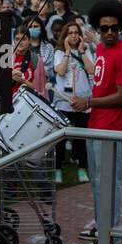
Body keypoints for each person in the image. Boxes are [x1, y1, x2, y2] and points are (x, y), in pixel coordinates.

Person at [71, 0, 122, 244]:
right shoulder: (100, 48)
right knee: (98, 183)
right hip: (96, 123)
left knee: (109, 184)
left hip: (112, 128)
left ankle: (112, 237)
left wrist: (89, 101)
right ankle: (102, 226)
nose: (110, 32)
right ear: (98, 28)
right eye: (105, 28)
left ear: (120, 28)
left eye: (114, 28)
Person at [50, 22, 92, 184]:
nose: (73, 35)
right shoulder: (59, 52)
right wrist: (68, 51)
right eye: (70, 33)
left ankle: (82, 169)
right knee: (60, 138)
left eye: (76, 32)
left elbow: (91, 69)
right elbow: (60, 71)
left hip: (82, 100)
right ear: (65, 36)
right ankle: (58, 170)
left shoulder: (86, 51)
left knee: (82, 138)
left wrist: (81, 52)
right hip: (63, 101)